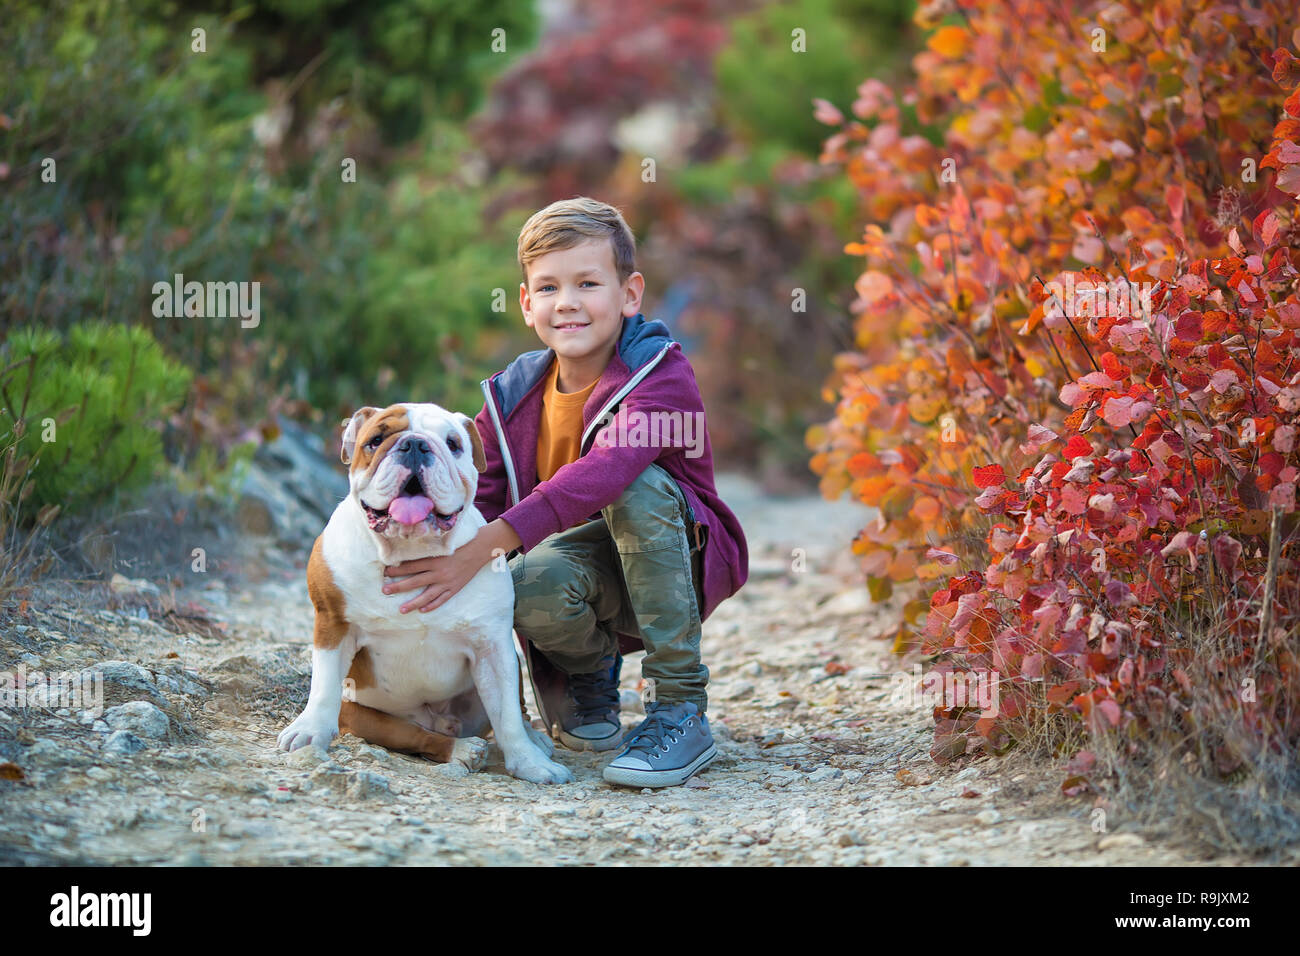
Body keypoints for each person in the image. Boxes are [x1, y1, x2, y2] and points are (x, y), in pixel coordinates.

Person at [381, 196, 748, 787]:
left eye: (587, 283)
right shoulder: (509, 395)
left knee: (637, 486)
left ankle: (680, 708)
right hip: (584, 574)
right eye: (548, 288)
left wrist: (489, 544)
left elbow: (607, 469)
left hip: (676, 558)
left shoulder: (660, 371)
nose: (568, 303)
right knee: (511, 583)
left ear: (629, 295)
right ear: (527, 303)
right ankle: (588, 674)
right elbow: (483, 502)